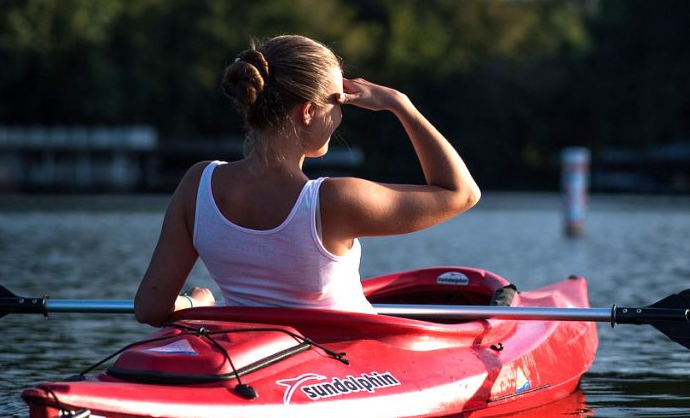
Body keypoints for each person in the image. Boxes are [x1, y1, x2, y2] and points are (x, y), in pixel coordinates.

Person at [134, 34, 480, 326]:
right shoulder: (334, 200)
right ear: (309, 112)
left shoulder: (198, 184)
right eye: (338, 101)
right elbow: (461, 192)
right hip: (345, 370)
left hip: (257, 365)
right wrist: (401, 106)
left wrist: (197, 306)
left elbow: (151, 308)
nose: (342, 114)